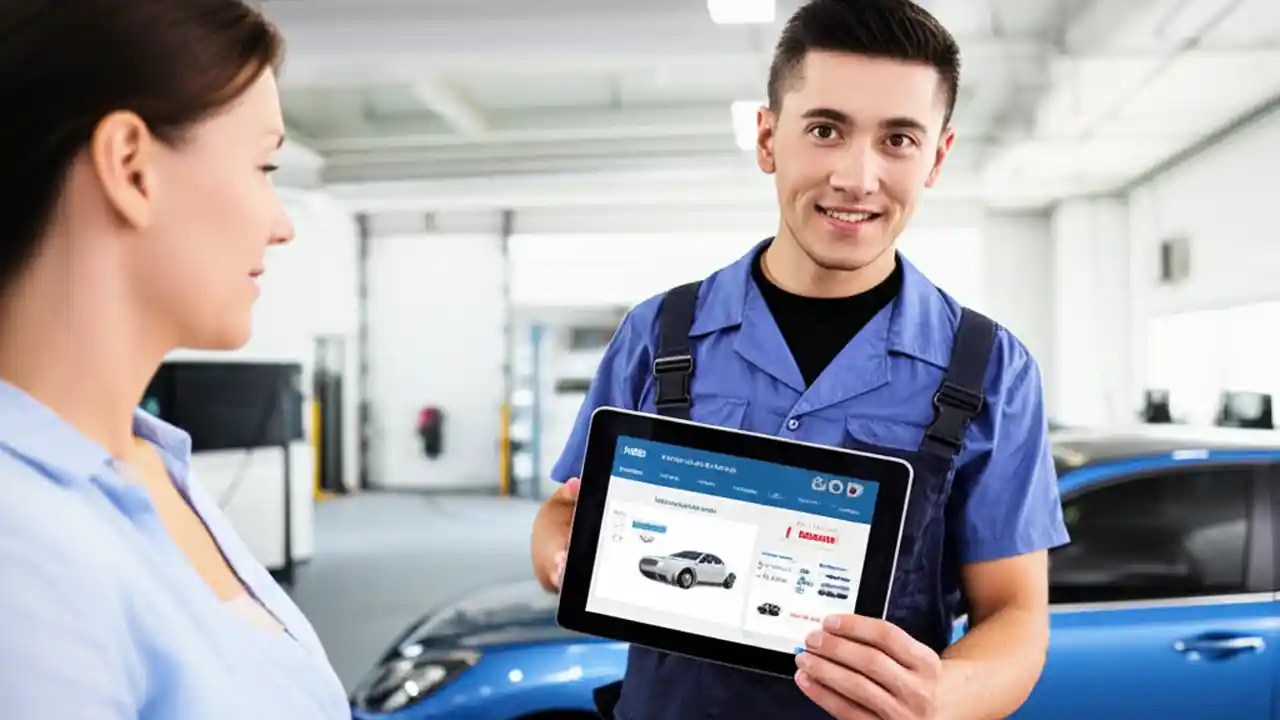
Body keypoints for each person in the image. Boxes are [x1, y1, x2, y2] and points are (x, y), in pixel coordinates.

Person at [530, 1, 1070, 718]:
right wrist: (562, 556)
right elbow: (562, 514)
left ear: (937, 155)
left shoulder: (991, 369)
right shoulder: (659, 333)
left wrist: (940, 696)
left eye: (898, 140)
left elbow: (1016, 616)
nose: (856, 176)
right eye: (825, 129)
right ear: (767, 138)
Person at [0, 2, 349, 718]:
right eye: (265, 164)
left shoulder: (152, 462)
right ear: (131, 166)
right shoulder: (20, 558)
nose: (281, 224)